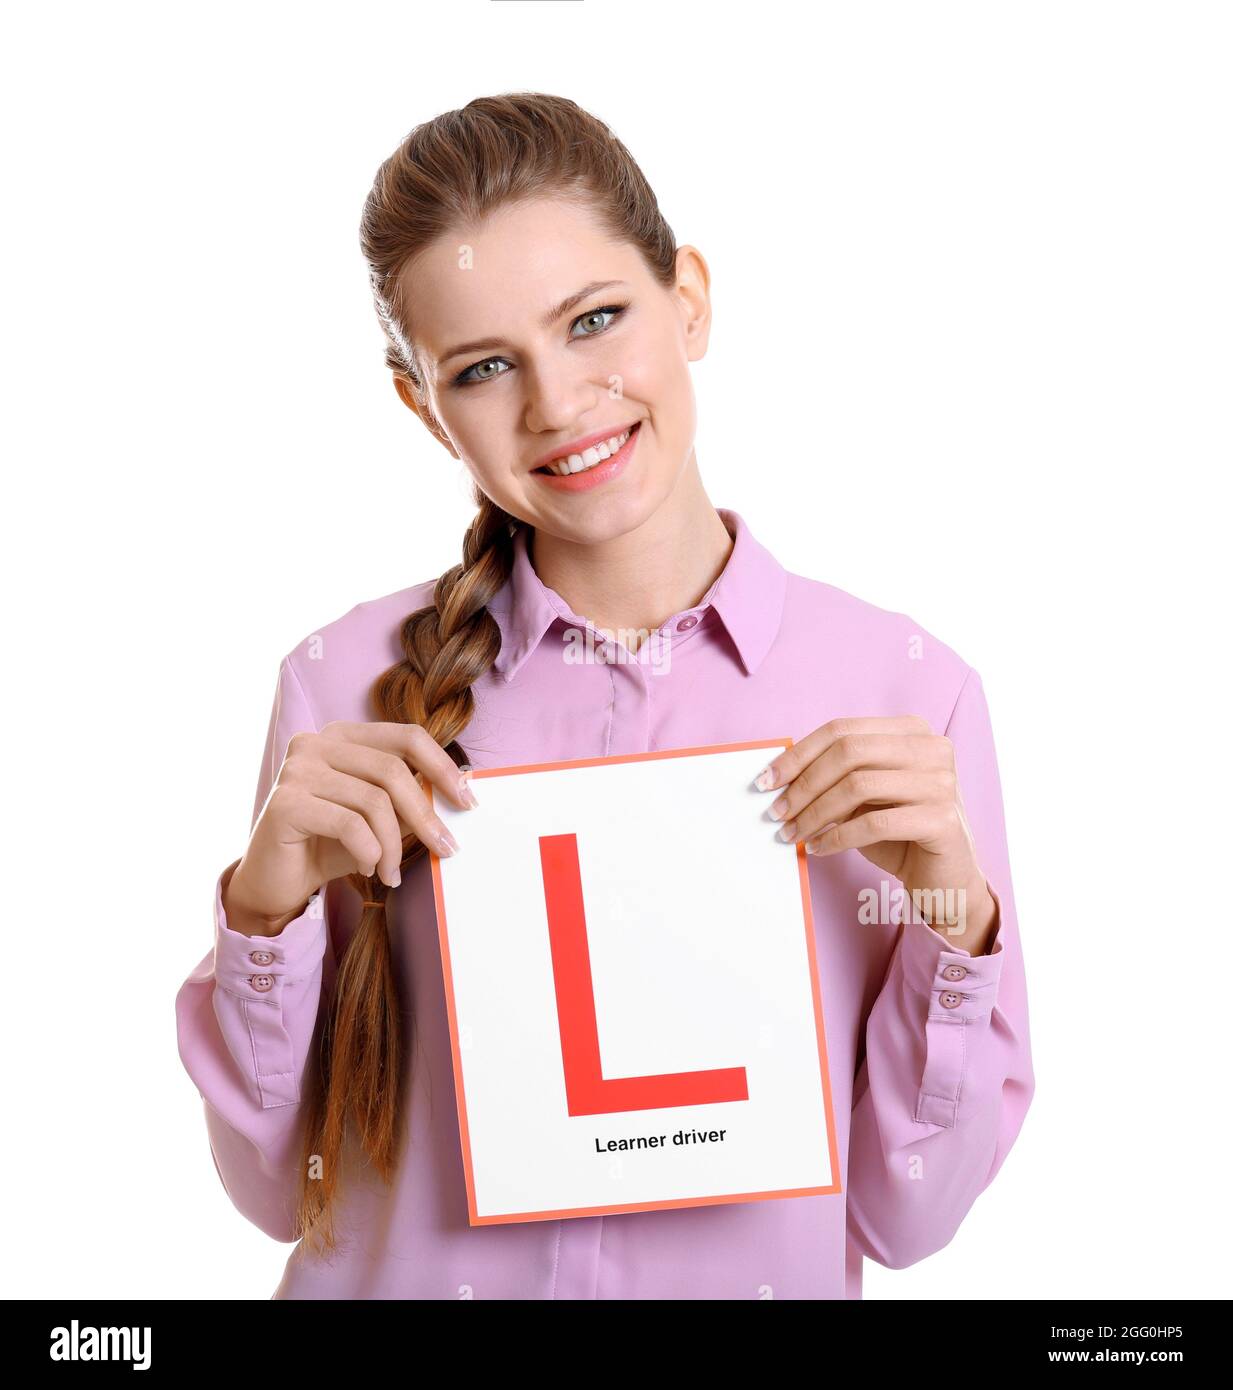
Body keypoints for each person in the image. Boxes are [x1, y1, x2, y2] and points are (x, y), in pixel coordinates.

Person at [175, 91, 1034, 1300]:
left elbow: (906, 1216)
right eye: (482, 367)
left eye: (594, 319)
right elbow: (277, 1190)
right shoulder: (342, 688)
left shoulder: (906, 692)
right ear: (423, 406)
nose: (559, 403)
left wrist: (953, 912)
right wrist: (264, 912)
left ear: (688, 297)